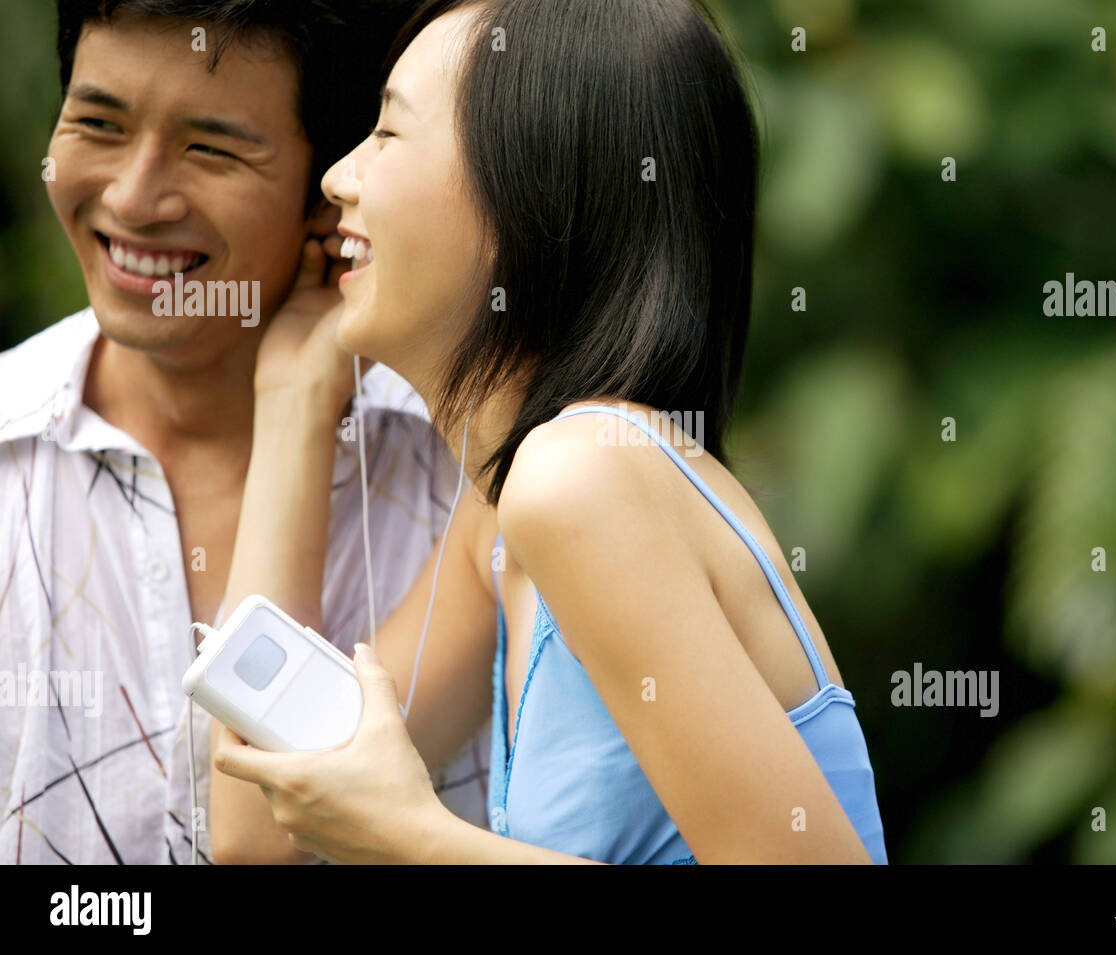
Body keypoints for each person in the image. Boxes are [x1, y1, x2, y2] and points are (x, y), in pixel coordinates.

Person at [212, 0, 888, 865]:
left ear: (526, 192)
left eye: (386, 133)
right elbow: (254, 826)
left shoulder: (579, 477)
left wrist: (413, 841)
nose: (339, 176)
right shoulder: (499, 518)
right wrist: (294, 399)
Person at [0, 0, 494, 865]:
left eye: (212, 148)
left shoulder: (471, 476)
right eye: (98, 123)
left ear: (328, 191)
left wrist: (300, 402)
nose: (132, 196)